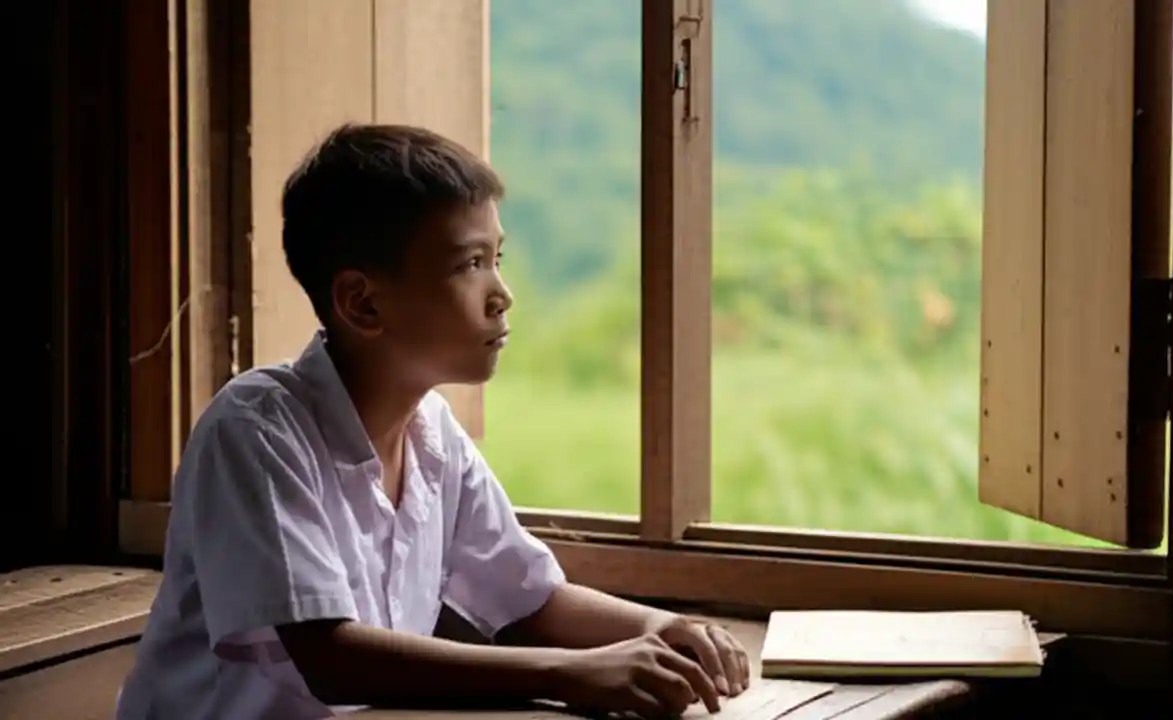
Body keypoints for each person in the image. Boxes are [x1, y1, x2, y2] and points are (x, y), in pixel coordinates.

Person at [115, 124, 751, 720]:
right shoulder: (255, 429)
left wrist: (660, 629)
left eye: (497, 258)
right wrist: (567, 673)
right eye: (469, 264)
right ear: (362, 302)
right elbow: (328, 656)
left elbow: (528, 599)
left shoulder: (433, 434)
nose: (501, 293)